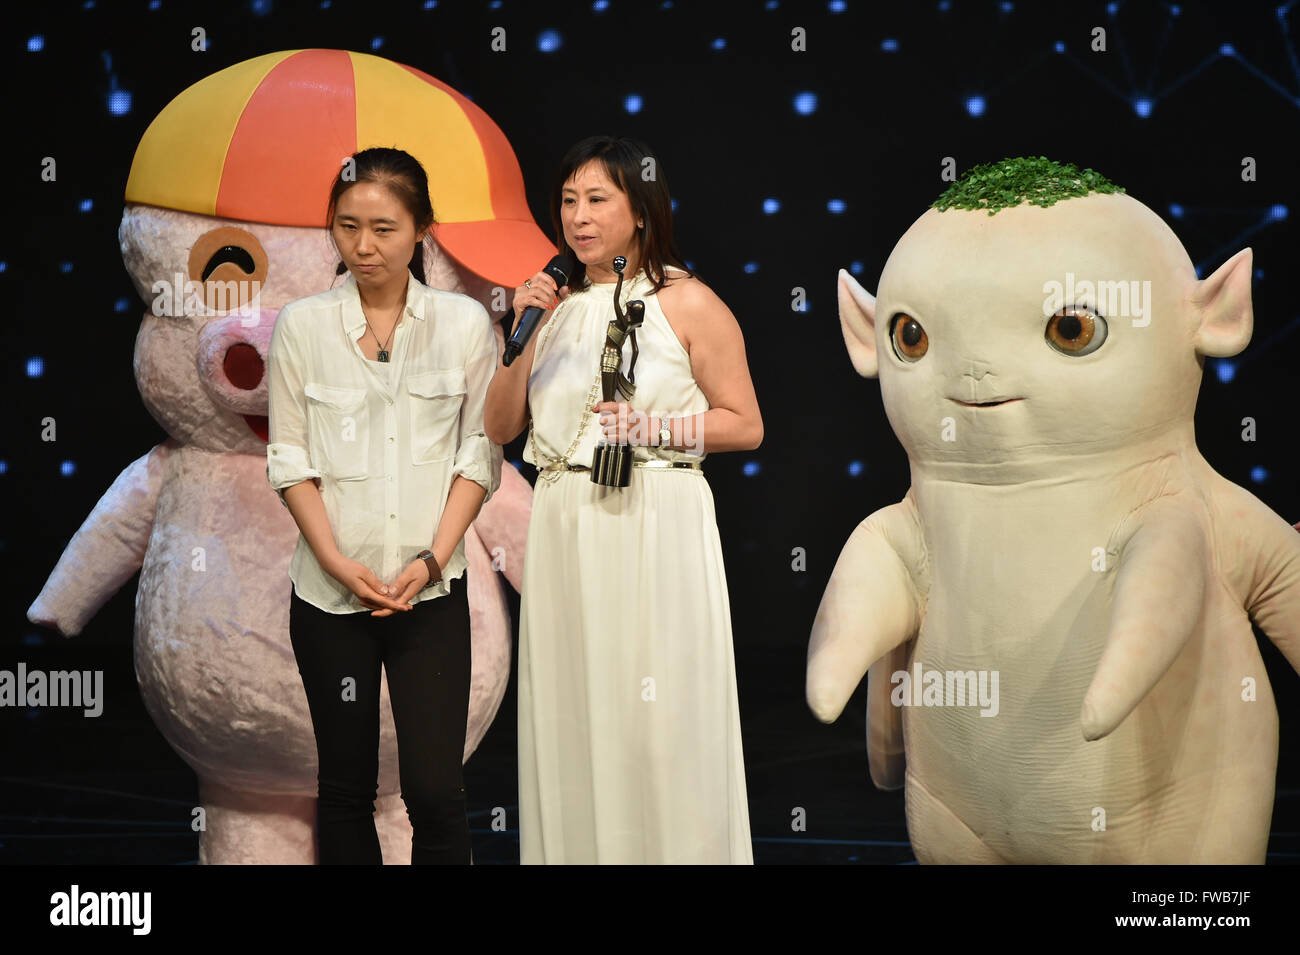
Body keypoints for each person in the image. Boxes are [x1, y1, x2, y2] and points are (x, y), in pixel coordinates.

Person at [485, 135, 762, 864]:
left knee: (659, 718)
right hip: (565, 519)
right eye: (568, 201)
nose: (578, 217)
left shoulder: (687, 300)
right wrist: (521, 330)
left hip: (655, 517)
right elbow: (500, 427)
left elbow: (746, 423)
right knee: (576, 710)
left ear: (640, 210)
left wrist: (654, 428)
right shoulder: (551, 307)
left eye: (597, 199)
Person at [266, 147, 501, 864]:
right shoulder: (302, 325)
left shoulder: (463, 323)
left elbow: (479, 454)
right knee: (344, 788)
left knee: (435, 792)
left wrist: (432, 559)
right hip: (330, 594)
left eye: (383, 228)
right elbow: (289, 458)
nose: (363, 246)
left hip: (430, 593)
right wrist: (335, 561)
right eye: (347, 226)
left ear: (422, 229)